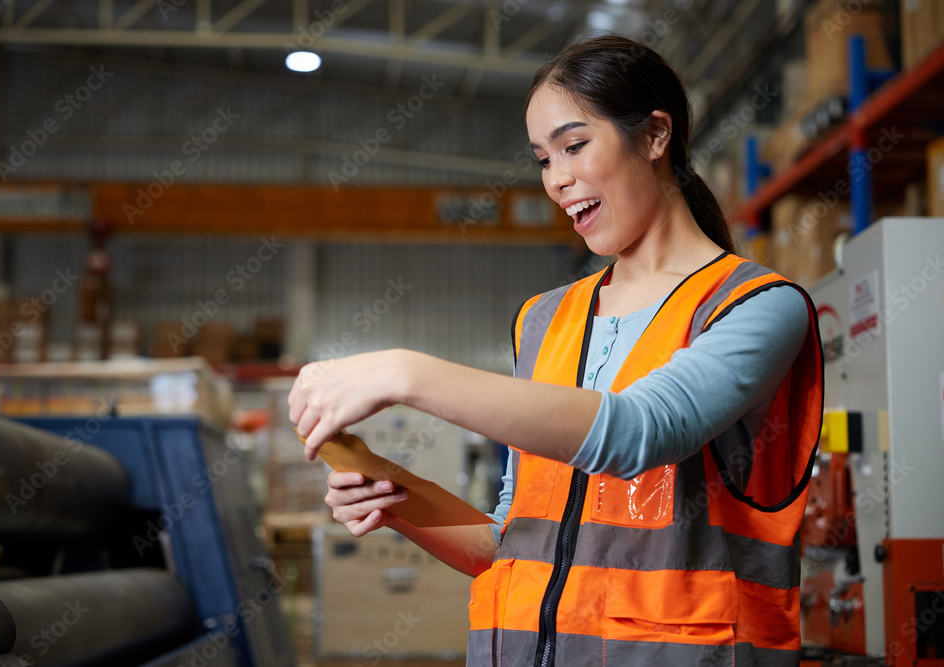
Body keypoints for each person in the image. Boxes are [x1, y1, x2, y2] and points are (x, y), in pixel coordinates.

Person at [289, 35, 823, 667]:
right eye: (543, 159)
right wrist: (394, 493)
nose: (557, 179)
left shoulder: (756, 306)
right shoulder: (544, 321)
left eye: (574, 146)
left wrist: (408, 372)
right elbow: (507, 544)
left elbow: (641, 431)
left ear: (655, 136)